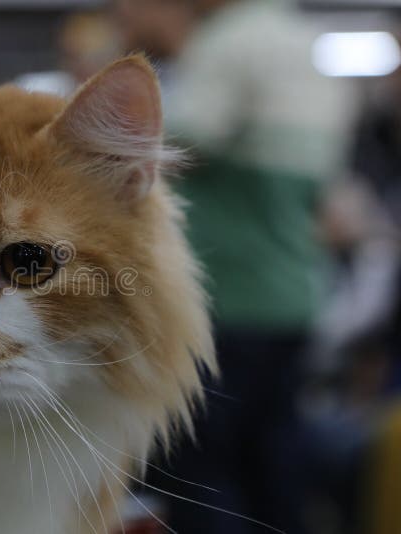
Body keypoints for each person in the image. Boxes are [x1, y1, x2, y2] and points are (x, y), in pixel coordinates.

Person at [147, 1, 356, 533]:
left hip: (226, 301)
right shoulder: (306, 45)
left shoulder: (228, 43)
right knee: (276, 469)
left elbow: (168, 146)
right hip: (293, 300)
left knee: (202, 474)